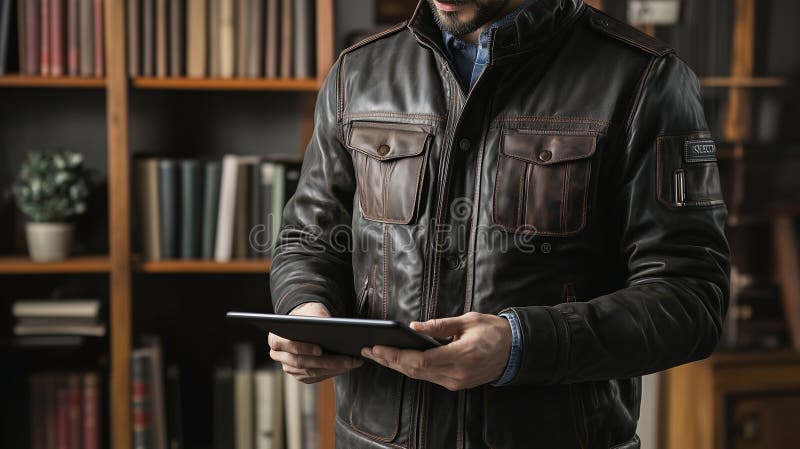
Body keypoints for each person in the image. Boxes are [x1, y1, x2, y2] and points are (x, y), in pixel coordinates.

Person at [268, 0, 730, 447]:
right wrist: (306, 311)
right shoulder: (357, 72)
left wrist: (520, 345)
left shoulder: (645, 78)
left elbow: (691, 299)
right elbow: (307, 236)